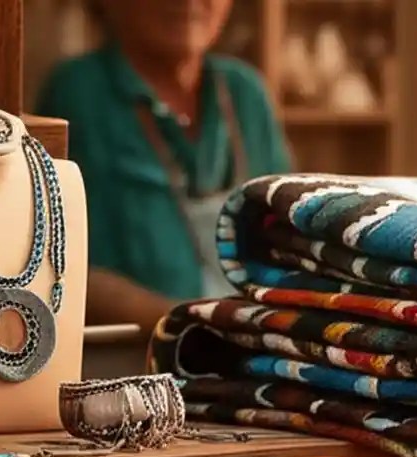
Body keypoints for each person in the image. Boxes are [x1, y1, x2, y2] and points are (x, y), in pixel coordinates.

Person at [37, 1, 292, 333]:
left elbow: (292, 244)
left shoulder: (246, 92)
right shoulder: (79, 92)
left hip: (251, 354)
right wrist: (194, 322)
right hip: (134, 361)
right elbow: (57, 266)